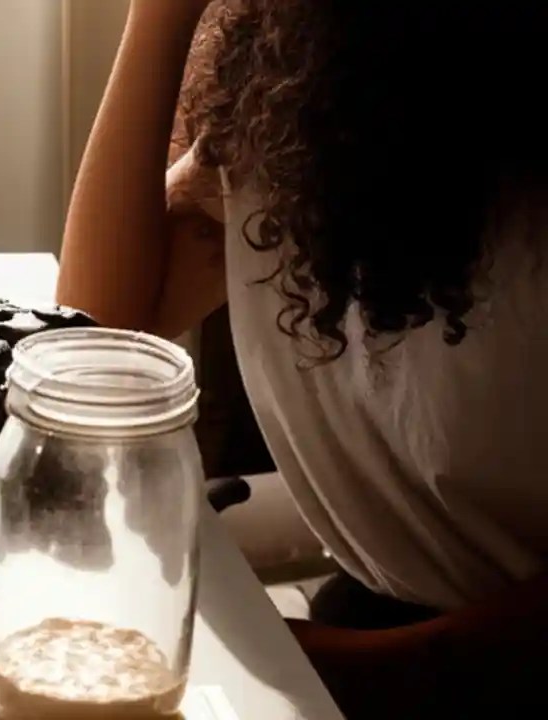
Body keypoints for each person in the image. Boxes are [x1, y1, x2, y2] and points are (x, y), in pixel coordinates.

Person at [56, 0, 548, 716]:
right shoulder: (298, 75)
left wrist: (362, 667)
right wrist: (160, 18)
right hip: (375, 632)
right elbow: (97, 333)